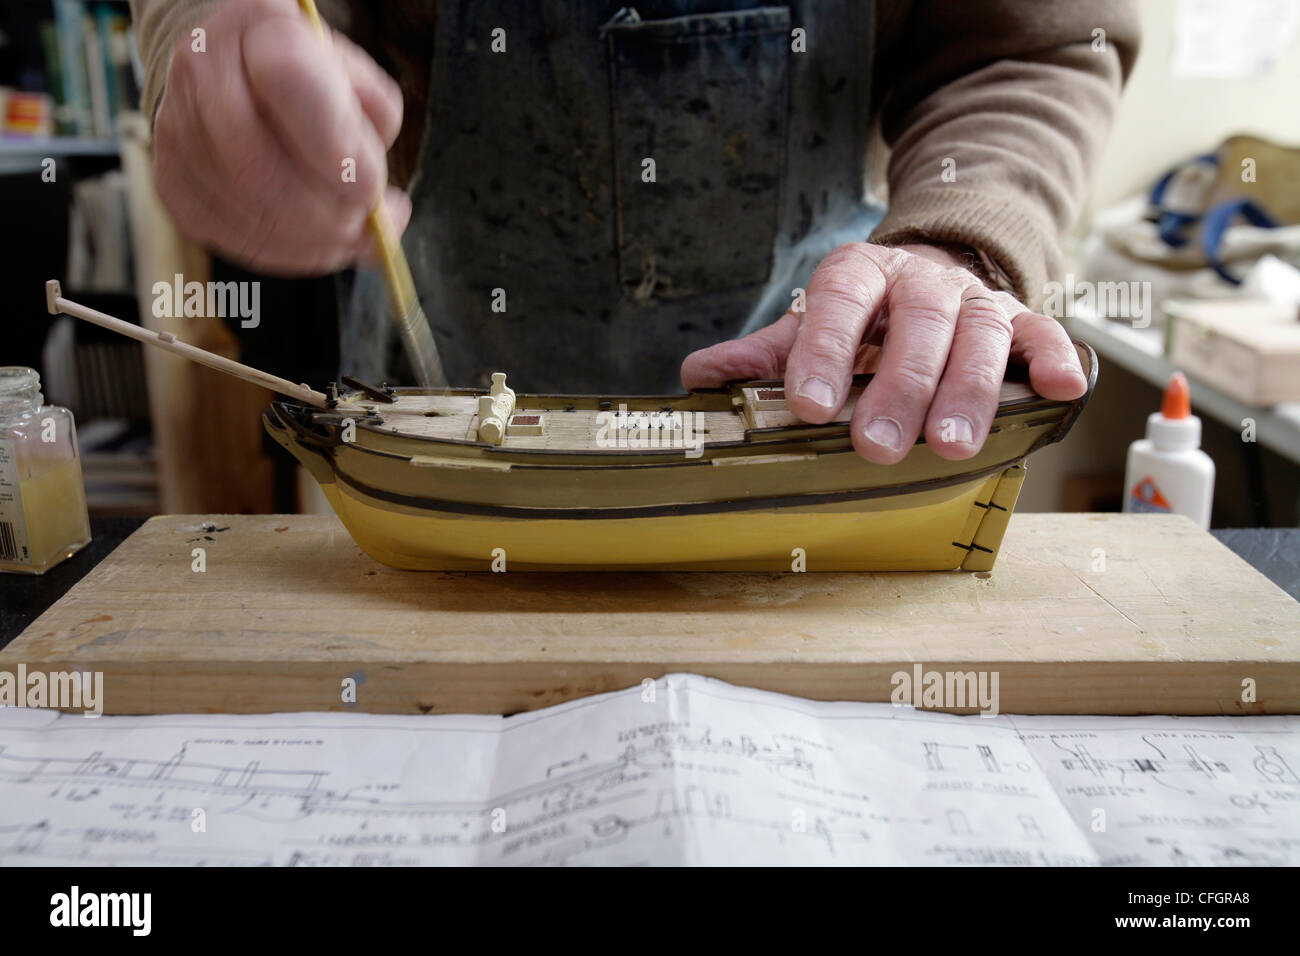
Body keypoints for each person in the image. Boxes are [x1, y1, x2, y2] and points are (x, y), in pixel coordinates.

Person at [130, 0, 1139, 464]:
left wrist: (955, 242)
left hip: (815, 417)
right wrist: (206, 31)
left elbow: (1030, 46)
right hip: (436, 408)